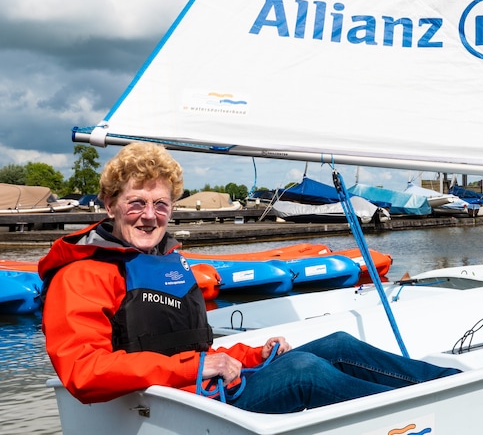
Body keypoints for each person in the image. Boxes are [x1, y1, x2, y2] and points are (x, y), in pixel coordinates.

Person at [39, 141, 459, 413]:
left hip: (201, 390)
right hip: (175, 409)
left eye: (160, 204)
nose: (149, 216)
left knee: (337, 344)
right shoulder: (82, 274)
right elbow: (85, 372)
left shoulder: (168, 263)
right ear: (110, 204)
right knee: (305, 371)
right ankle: (429, 416)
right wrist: (196, 367)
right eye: (136, 203)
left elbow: (194, 349)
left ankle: (452, 387)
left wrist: (254, 353)